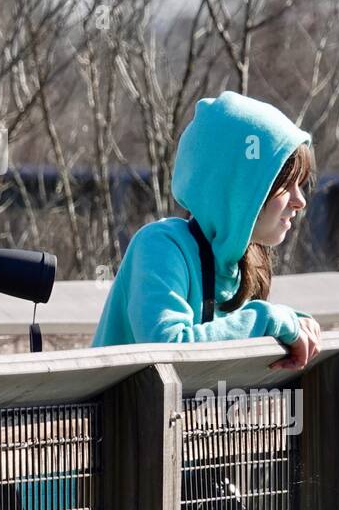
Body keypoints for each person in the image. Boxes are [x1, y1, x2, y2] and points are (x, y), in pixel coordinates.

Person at [91, 91, 321, 371]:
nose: (301, 200)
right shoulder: (159, 247)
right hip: (128, 415)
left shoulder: (246, 263)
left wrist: (291, 323)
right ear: (238, 188)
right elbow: (166, 347)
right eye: (287, 183)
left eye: (302, 184)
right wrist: (268, 320)